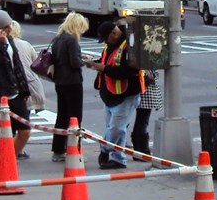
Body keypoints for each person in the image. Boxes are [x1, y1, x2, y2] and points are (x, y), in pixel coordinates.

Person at [88, 20, 142, 170]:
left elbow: (127, 71)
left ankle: (105, 150)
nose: (105, 41)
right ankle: (119, 159)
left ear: (114, 33)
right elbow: (107, 62)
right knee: (119, 129)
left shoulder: (129, 45)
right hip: (110, 94)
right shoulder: (110, 44)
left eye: (106, 38)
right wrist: (94, 63)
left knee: (115, 129)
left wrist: (103, 68)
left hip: (125, 94)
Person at [0, 10, 31, 160]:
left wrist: (24, 91)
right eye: (6, 26)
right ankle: (4, 161)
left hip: (14, 90)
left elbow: (16, 64)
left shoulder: (9, 39)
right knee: (4, 134)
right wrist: (1, 45)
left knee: (25, 131)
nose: (9, 29)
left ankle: (10, 157)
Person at [48, 12, 89, 162]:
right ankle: (74, 149)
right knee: (75, 118)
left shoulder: (58, 38)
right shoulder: (72, 40)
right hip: (73, 81)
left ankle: (58, 150)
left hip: (60, 81)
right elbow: (74, 63)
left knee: (62, 116)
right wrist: (86, 62)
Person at [9, 20, 46, 114]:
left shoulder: (4, 45)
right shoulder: (26, 44)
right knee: (25, 117)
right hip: (29, 84)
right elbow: (35, 62)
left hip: (12, 86)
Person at [131, 68, 163, 161]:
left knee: (140, 122)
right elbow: (150, 75)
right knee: (142, 122)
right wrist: (155, 75)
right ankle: (142, 150)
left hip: (140, 91)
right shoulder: (145, 59)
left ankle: (138, 149)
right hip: (146, 92)